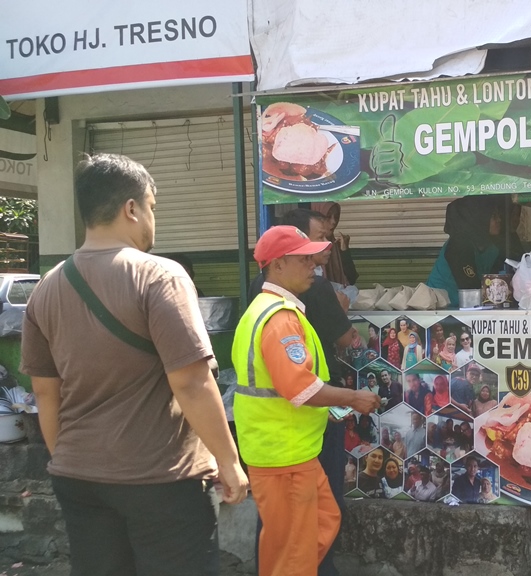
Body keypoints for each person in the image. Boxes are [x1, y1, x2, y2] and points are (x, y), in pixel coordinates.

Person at [21, 154, 249, 576]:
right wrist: (229, 460)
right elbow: (192, 382)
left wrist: (73, 459)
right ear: (131, 208)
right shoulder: (160, 275)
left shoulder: (46, 288)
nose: (151, 219)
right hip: (160, 479)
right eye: (152, 207)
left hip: (79, 479)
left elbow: (44, 392)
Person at [233, 225, 381, 575]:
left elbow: (285, 386)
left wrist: (328, 407)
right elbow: (300, 388)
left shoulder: (272, 310)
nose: (314, 265)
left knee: (316, 527)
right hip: (284, 455)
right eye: (303, 259)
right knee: (295, 551)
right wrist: (354, 398)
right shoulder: (279, 319)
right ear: (278, 265)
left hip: (290, 451)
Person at [427, 196, 504, 306]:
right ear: (480, 219)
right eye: (494, 216)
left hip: (467, 308)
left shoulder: (491, 247)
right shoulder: (458, 245)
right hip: (441, 309)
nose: (499, 220)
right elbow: (469, 287)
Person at [320, 202, 359, 288]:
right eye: (328, 217)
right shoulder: (311, 248)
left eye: (336, 217)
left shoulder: (336, 245)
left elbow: (352, 279)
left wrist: (345, 251)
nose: (334, 222)